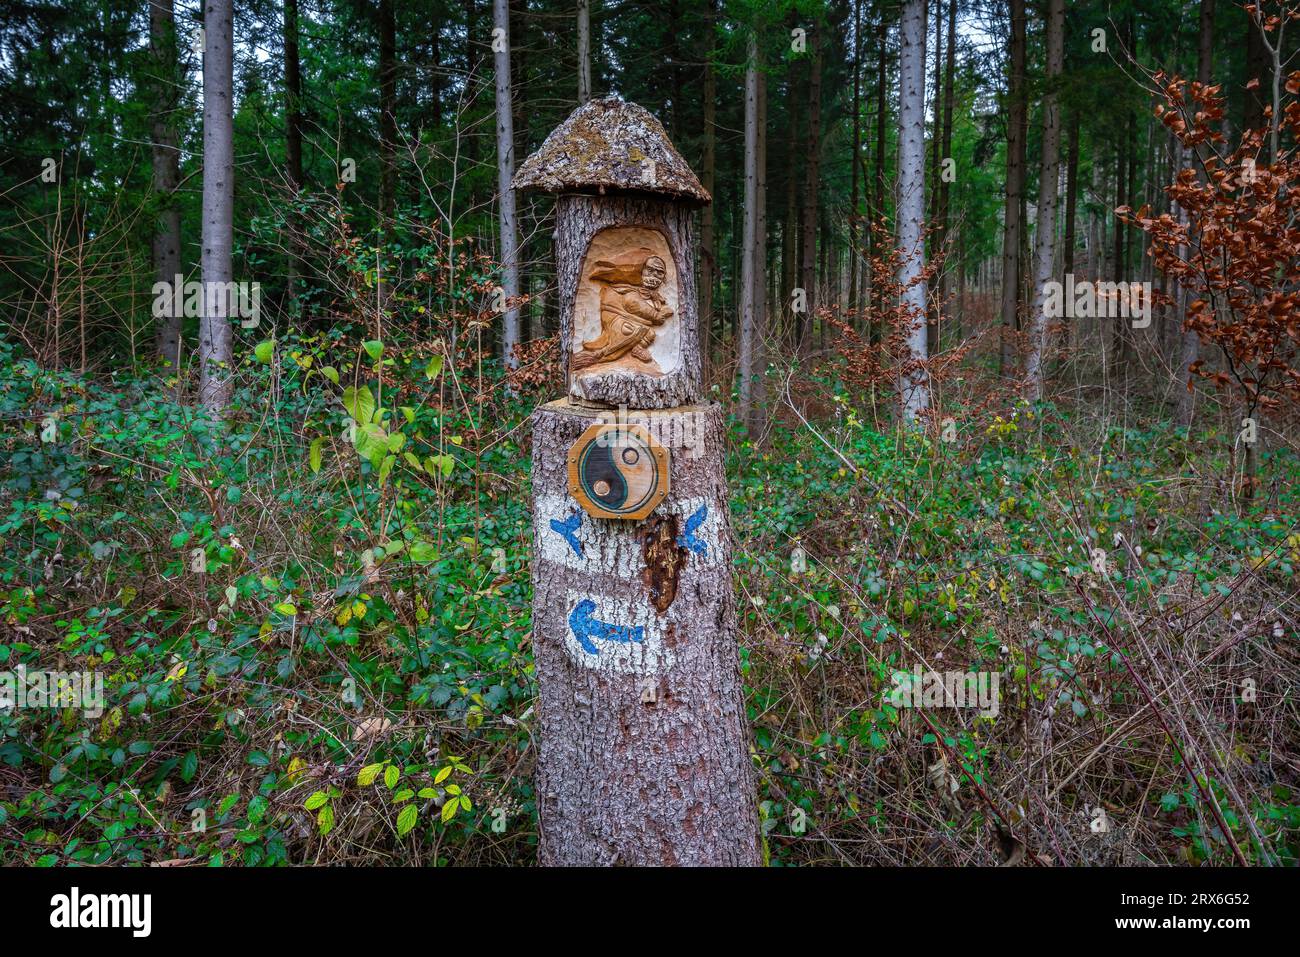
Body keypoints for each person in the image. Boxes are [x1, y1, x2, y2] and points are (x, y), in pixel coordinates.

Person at [572, 249, 673, 373]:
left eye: (659, 273)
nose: (654, 276)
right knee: (631, 332)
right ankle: (599, 355)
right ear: (640, 270)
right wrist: (656, 315)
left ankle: (637, 348)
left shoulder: (645, 292)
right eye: (650, 271)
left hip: (629, 319)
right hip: (618, 320)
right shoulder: (626, 289)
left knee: (650, 333)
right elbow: (634, 305)